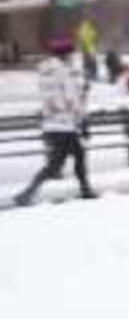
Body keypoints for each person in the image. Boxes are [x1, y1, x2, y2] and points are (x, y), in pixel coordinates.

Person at [13, 37, 97, 206]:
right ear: (65, 54)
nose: (72, 57)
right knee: (59, 164)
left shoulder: (45, 71)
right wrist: (83, 115)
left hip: (51, 124)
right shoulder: (64, 72)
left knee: (71, 158)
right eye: (70, 54)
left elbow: (53, 97)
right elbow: (71, 99)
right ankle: (27, 193)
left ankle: (84, 189)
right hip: (65, 125)